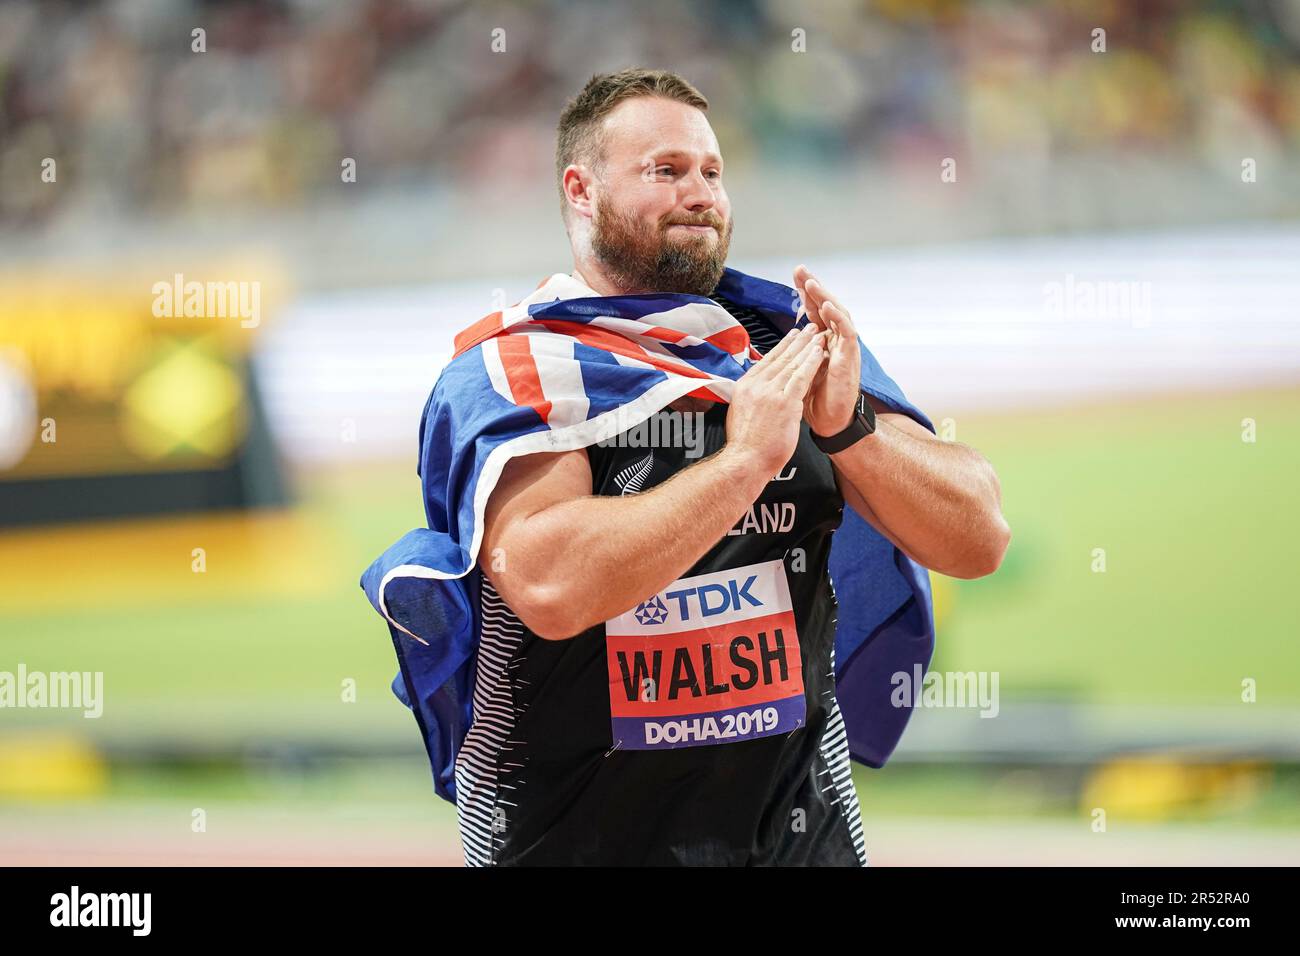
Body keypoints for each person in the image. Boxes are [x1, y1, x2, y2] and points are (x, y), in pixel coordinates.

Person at [366, 68, 1010, 866]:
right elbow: (552, 584)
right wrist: (745, 463)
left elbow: (979, 538)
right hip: (573, 841)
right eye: (665, 171)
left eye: (712, 172)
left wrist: (850, 432)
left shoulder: (780, 339)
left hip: (799, 837)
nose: (700, 194)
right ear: (581, 190)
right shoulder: (521, 370)